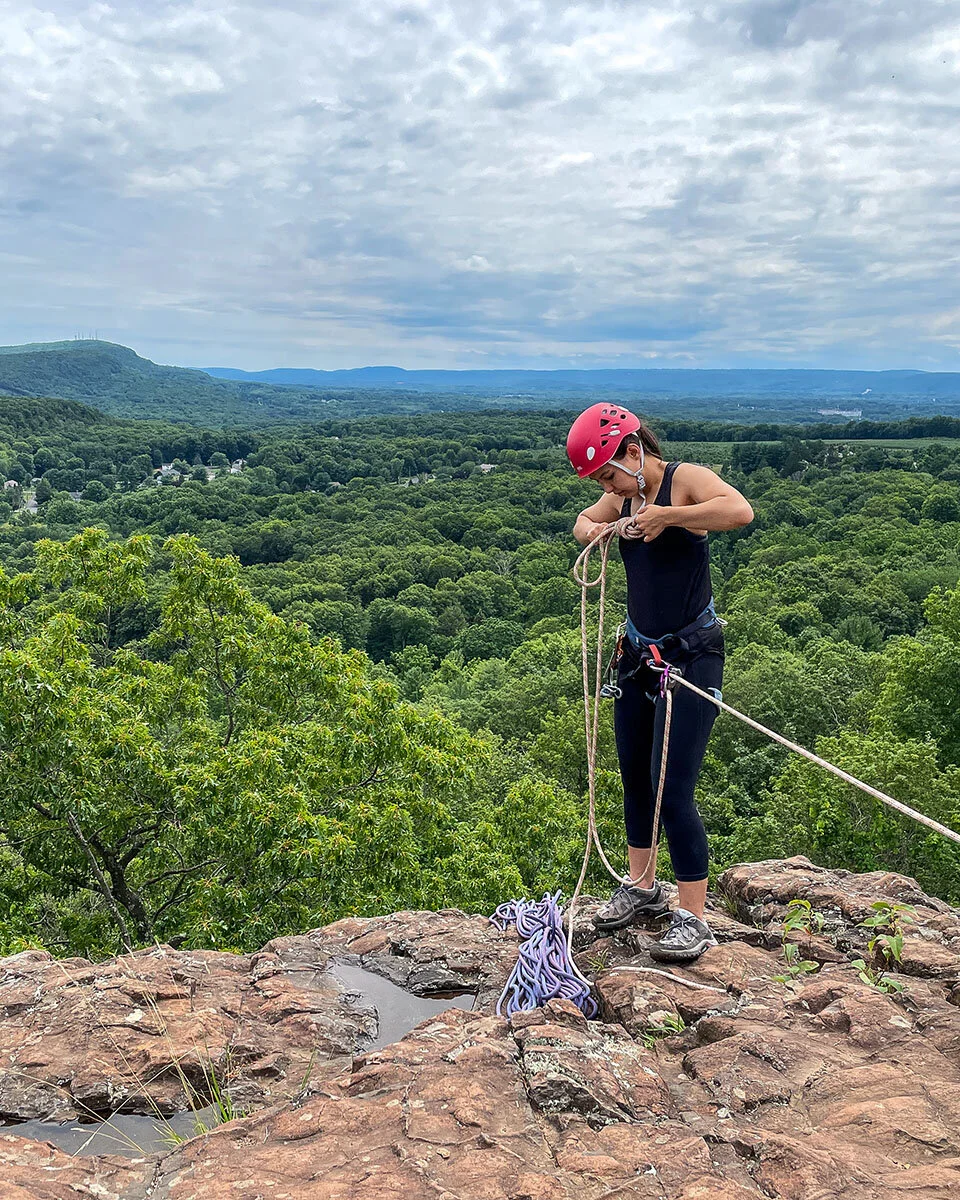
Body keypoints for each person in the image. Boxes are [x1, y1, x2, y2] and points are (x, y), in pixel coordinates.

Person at [567, 403, 754, 961]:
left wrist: (667, 517)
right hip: (637, 655)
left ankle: (693, 915)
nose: (606, 485)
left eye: (607, 472)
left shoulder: (683, 481)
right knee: (635, 780)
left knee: (673, 791)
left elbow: (740, 511)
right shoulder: (624, 496)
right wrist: (610, 523)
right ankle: (643, 885)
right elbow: (581, 523)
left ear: (633, 450)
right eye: (600, 481)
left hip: (689, 659)